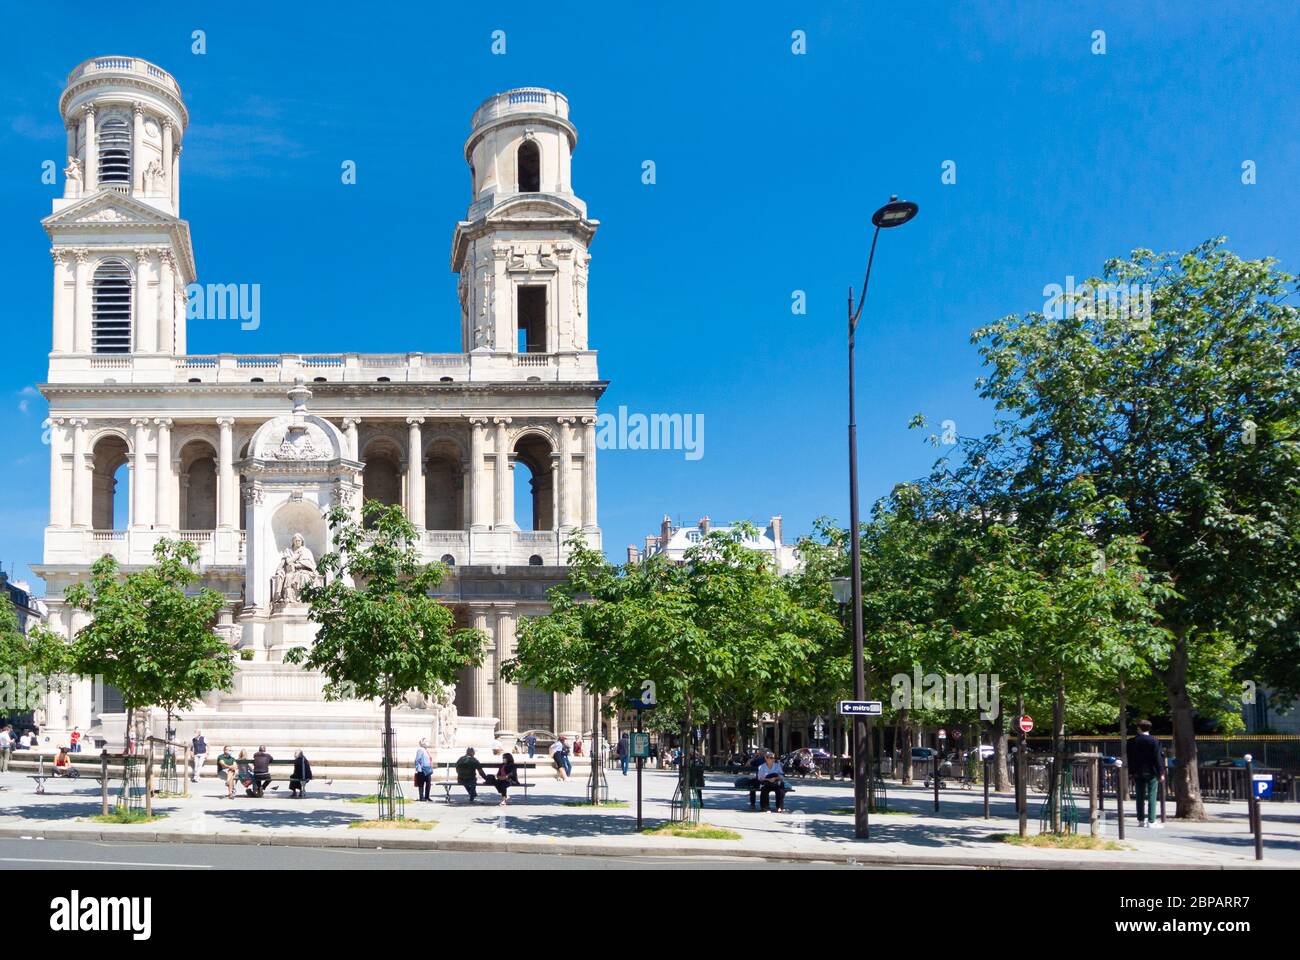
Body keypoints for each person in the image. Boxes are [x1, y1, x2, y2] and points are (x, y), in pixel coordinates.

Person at [1126, 719, 1166, 829]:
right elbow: (1158, 758)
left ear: (1139, 728)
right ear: (1149, 728)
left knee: (1139, 796)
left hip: (1137, 771)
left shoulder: (1131, 742)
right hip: (1151, 771)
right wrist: (1161, 772)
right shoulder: (1154, 741)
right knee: (1152, 796)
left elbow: (1130, 758)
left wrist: (1130, 772)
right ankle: (1151, 821)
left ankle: (1140, 820)